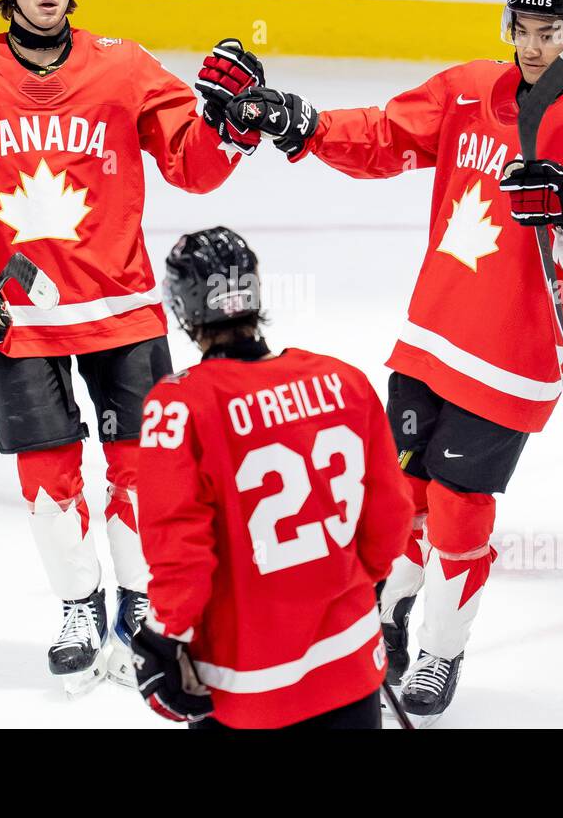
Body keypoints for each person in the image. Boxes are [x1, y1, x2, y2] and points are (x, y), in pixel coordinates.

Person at [218, 0, 563, 725]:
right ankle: (383, 618)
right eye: (522, 26)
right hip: (429, 336)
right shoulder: (467, 89)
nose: (532, 45)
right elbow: (384, 138)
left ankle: (441, 646)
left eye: (551, 31)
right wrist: (300, 122)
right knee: (397, 496)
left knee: (458, 511)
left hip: (512, 361)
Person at [0, 0, 264, 693]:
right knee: (48, 474)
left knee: (142, 467)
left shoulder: (125, 67)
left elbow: (192, 165)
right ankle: (79, 604)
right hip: (18, 315)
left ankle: (139, 603)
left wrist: (231, 125)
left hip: (121, 306)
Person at [131, 228, 414, 729]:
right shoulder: (343, 379)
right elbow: (391, 515)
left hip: (246, 683)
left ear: (183, 306)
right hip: (350, 663)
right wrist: (357, 591)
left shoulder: (179, 407)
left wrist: (159, 637)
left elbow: (180, 553)